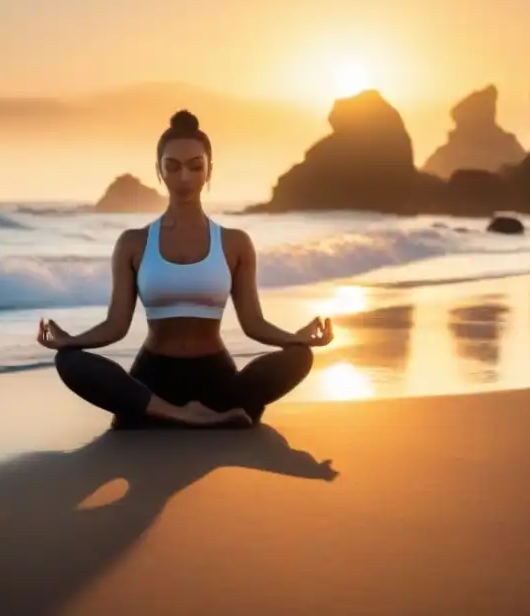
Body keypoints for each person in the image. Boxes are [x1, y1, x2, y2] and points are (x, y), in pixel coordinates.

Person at [36, 109, 334, 429]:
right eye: (173, 167)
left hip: (216, 377)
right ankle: (179, 413)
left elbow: (253, 323)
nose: (184, 178)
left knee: (300, 357)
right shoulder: (133, 243)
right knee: (69, 362)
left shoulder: (235, 243)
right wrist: (70, 341)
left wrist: (295, 338)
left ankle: (173, 413)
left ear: (209, 170)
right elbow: (115, 325)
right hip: (153, 375)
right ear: (159, 170)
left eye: (195, 167)